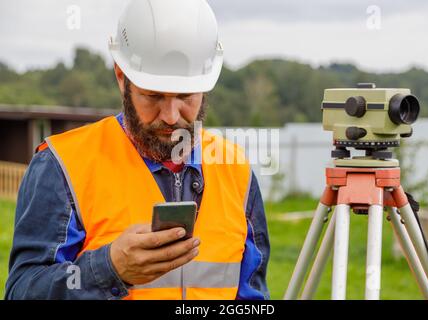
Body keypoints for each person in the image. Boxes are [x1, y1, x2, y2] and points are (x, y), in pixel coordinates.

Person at [5, 0, 270, 300]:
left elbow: (251, 296)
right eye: (153, 95)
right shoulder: (62, 166)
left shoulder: (236, 171)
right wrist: (109, 269)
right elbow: (23, 291)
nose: (171, 115)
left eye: (185, 96)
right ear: (121, 77)